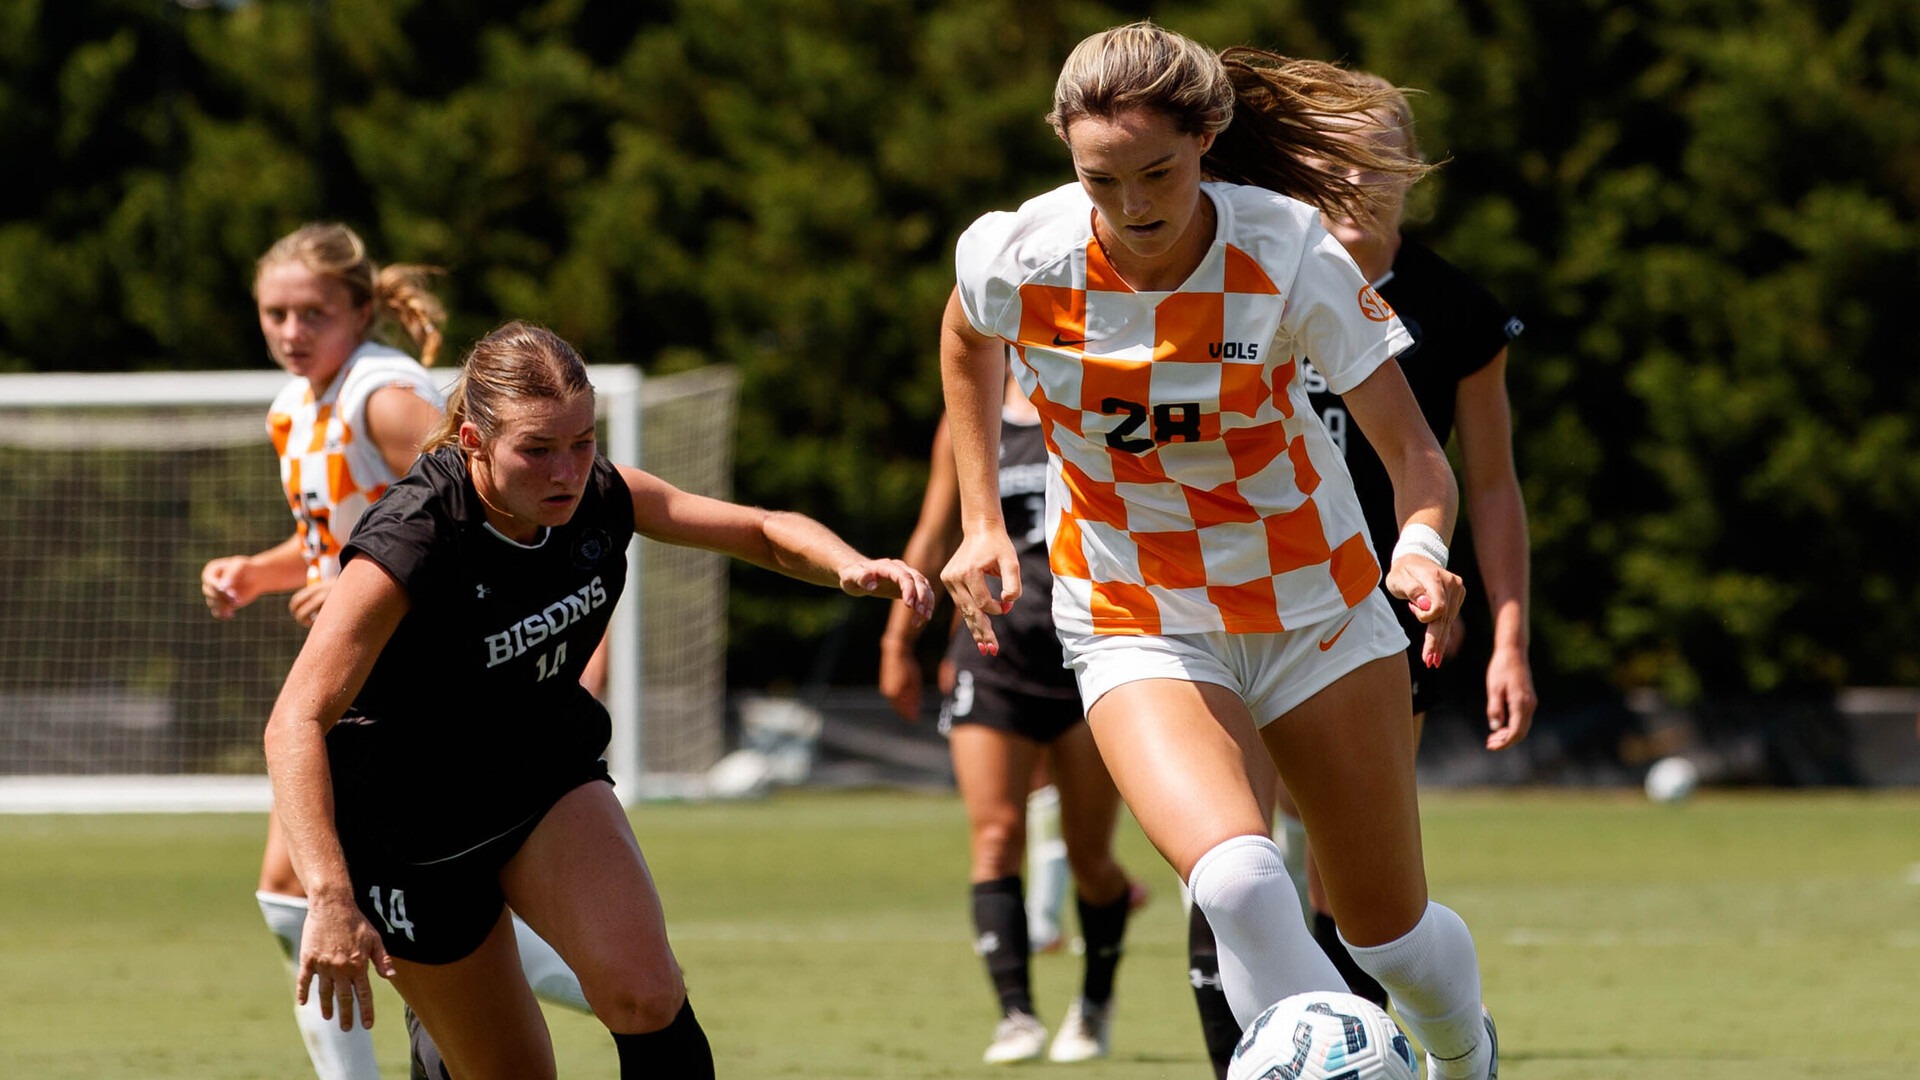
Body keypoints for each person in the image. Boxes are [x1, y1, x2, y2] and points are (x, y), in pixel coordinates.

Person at [938, 23, 1499, 1080]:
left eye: (1157, 173)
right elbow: (967, 332)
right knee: (1238, 884)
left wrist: (1421, 548)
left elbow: (1422, 460)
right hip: (1135, 613)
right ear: (1065, 153)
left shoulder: (1289, 254)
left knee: (1389, 936)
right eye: (1101, 179)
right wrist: (976, 519)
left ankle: (1466, 1056)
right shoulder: (1021, 254)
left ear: (1208, 138)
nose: (1134, 206)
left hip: (1318, 613)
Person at [262, 321, 934, 1079]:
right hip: (408, 826)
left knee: (647, 996)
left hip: (539, 774)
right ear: (475, 440)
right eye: (538, 449)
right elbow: (295, 719)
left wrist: (848, 565)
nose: (568, 470)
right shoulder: (413, 539)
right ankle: (438, 1044)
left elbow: (763, 531)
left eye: (582, 442)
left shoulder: (598, 496)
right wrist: (327, 893)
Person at [1181, 69, 1538, 1076]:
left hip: (1369, 617)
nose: (1355, 176)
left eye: (1378, 158)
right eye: (1336, 155)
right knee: (1231, 863)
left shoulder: (1454, 311)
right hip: (1223, 598)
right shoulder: (1251, 271)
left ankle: (1392, 1046)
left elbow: (1492, 484)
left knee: (1356, 887)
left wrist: (1507, 630)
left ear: (1410, 170)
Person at [199, 223, 591, 1080]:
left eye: (312, 312)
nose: (290, 331)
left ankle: (578, 975)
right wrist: (262, 573)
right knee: (294, 895)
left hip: (420, 686)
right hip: (364, 678)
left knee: (314, 895)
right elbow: (337, 536)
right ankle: (561, 974)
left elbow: (462, 495)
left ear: (363, 310)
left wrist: (354, 589)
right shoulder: (297, 406)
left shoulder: (379, 395)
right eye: (275, 313)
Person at [879, 367, 1142, 1064]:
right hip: (990, 655)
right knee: (996, 834)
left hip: (1090, 655)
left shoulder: (1096, 403)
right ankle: (1016, 1016)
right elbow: (933, 533)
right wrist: (898, 639)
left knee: (1090, 858)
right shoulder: (972, 419)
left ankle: (1093, 1003)